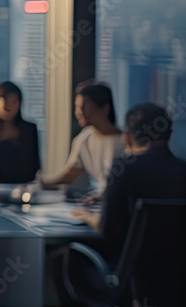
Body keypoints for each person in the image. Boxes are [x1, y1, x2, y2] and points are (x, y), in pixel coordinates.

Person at [72, 103, 186, 257]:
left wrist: (86, 216)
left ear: (127, 138)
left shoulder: (124, 168)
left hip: (130, 273)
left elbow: (107, 228)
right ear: (170, 136)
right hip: (177, 275)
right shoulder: (181, 170)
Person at [42, 81, 124, 195]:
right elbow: (69, 175)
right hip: (98, 201)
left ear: (104, 108)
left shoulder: (125, 142)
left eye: (83, 107)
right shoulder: (84, 138)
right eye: (77, 107)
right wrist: (41, 182)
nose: (78, 112)